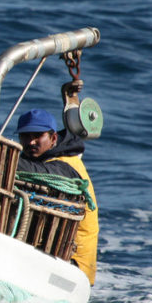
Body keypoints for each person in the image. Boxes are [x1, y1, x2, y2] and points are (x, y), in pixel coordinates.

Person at [16, 107, 100, 285]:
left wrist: (2, 155)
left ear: (53, 138)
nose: (30, 142)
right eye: (25, 136)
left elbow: (42, 172)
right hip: (52, 256)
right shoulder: (42, 159)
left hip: (74, 267)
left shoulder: (67, 164)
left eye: (37, 136)